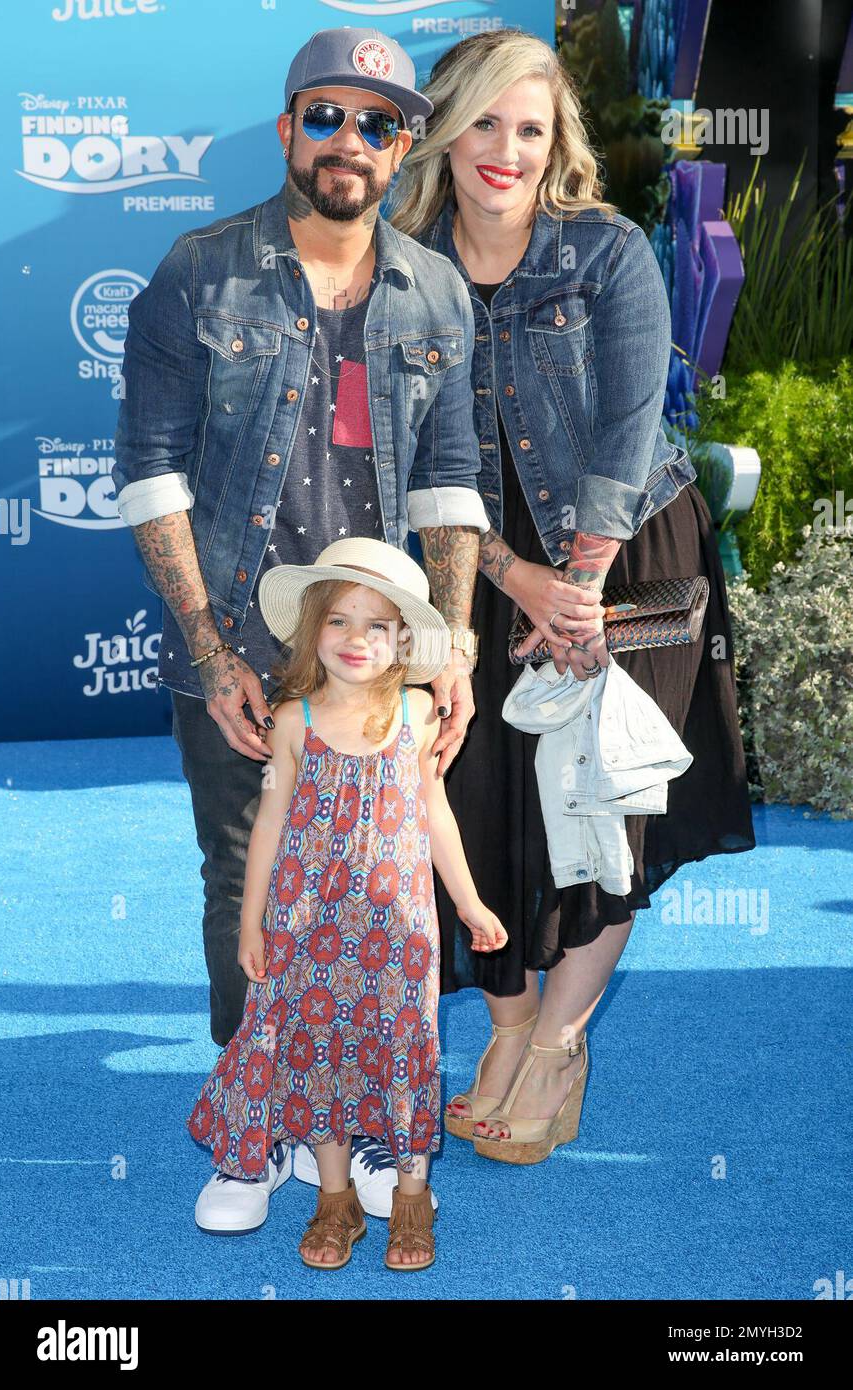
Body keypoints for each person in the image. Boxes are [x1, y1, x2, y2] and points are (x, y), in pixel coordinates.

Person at [111, 26, 491, 1224]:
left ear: (401, 146)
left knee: (383, 887)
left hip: (383, 652)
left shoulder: (433, 289)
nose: (348, 141)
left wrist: (454, 647)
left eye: (375, 122)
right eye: (324, 115)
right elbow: (152, 475)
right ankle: (260, 1119)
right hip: (239, 631)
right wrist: (213, 652)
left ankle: (377, 1124)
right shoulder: (198, 271)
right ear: (285, 129)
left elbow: (449, 480)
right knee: (250, 877)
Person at [388, 27, 756, 1163]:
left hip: (627, 556)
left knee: (602, 812)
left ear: (558, 146)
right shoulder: (400, 269)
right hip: (481, 569)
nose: (505, 149)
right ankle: (502, 1028)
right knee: (488, 812)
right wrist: (511, 576)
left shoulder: (603, 252)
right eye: (484, 123)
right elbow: (411, 461)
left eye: (530, 127)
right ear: (445, 133)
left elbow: (627, 427)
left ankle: (556, 1043)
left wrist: (580, 587)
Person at [187, 538, 506, 1269]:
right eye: (338, 621)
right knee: (316, 1050)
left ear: (405, 639)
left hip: (400, 932)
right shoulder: (293, 721)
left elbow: (436, 818)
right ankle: (334, 1203)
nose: (356, 639)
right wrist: (250, 922)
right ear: (311, 631)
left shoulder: (420, 714)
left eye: (377, 624)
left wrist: (471, 903)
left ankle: (410, 1199)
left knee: (405, 1053)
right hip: (307, 927)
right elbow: (267, 824)